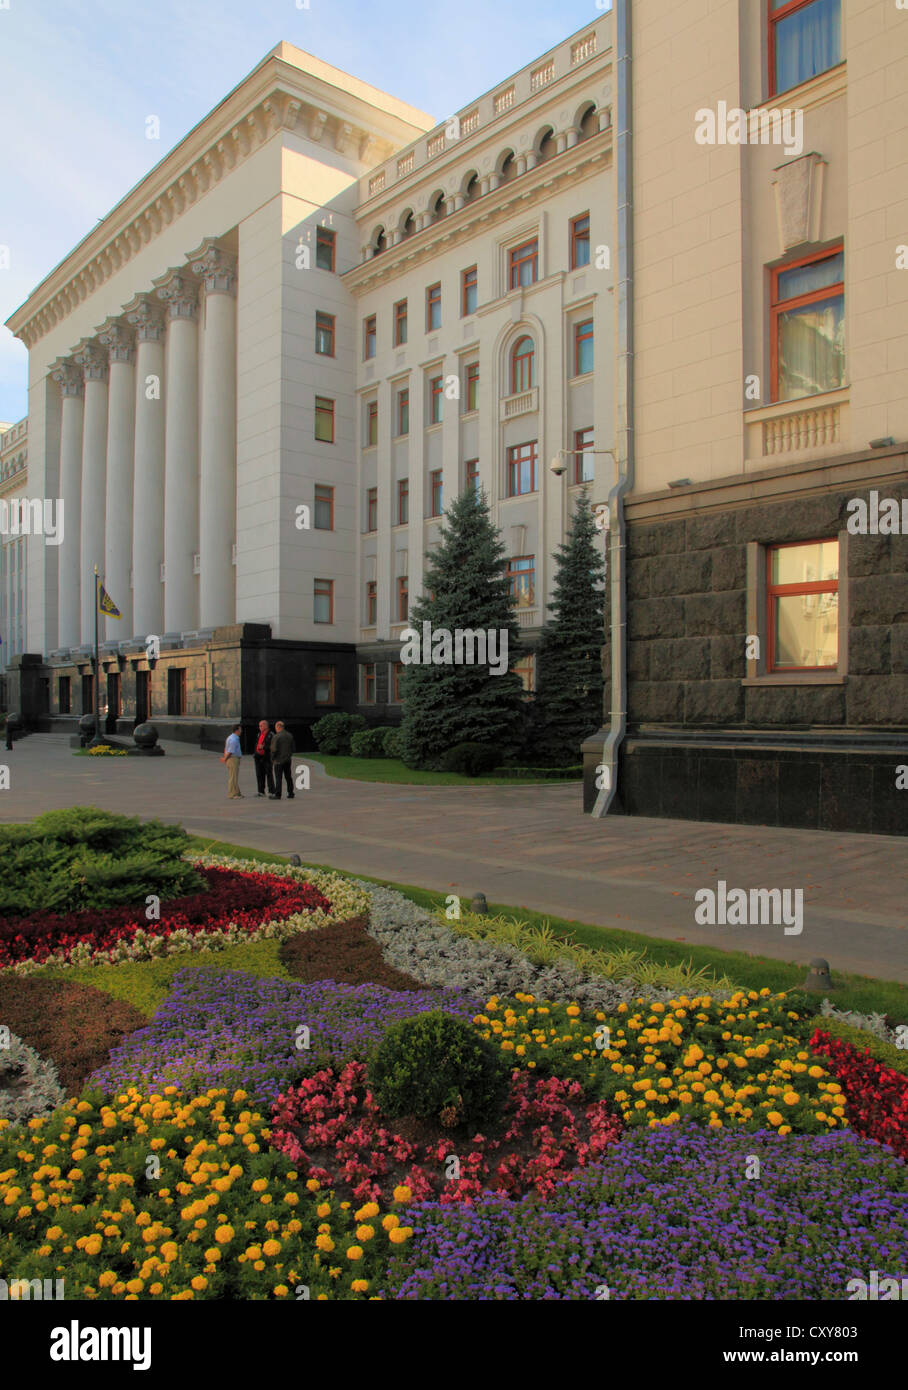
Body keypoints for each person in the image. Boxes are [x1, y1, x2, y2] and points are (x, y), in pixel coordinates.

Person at [269, 721, 295, 800]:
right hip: (287, 760)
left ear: (278, 727)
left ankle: (278, 794)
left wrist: (272, 758)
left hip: (278, 760)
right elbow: (293, 748)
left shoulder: (276, 737)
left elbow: (274, 749)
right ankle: (290, 792)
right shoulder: (290, 735)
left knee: (278, 778)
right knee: (288, 777)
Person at [253, 719, 275, 797]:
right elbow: (257, 743)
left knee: (269, 774)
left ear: (266, 726)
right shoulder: (259, 734)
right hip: (258, 757)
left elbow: (273, 746)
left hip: (267, 757)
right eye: (259, 726)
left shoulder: (271, 735)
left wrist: (264, 747)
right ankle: (261, 791)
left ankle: (272, 791)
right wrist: (255, 753)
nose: (260, 727)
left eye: (261, 726)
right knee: (259, 774)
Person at [221, 722, 243, 798]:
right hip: (233, 759)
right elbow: (230, 751)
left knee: (234, 776)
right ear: (237, 730)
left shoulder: (230, 737)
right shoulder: (234, 739)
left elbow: (226, 748)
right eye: (240, 729)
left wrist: (225, 758)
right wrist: (225, 759)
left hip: (231, 759)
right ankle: (232, 794)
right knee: (233, 777)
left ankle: (237, 792)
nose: (241, 731)